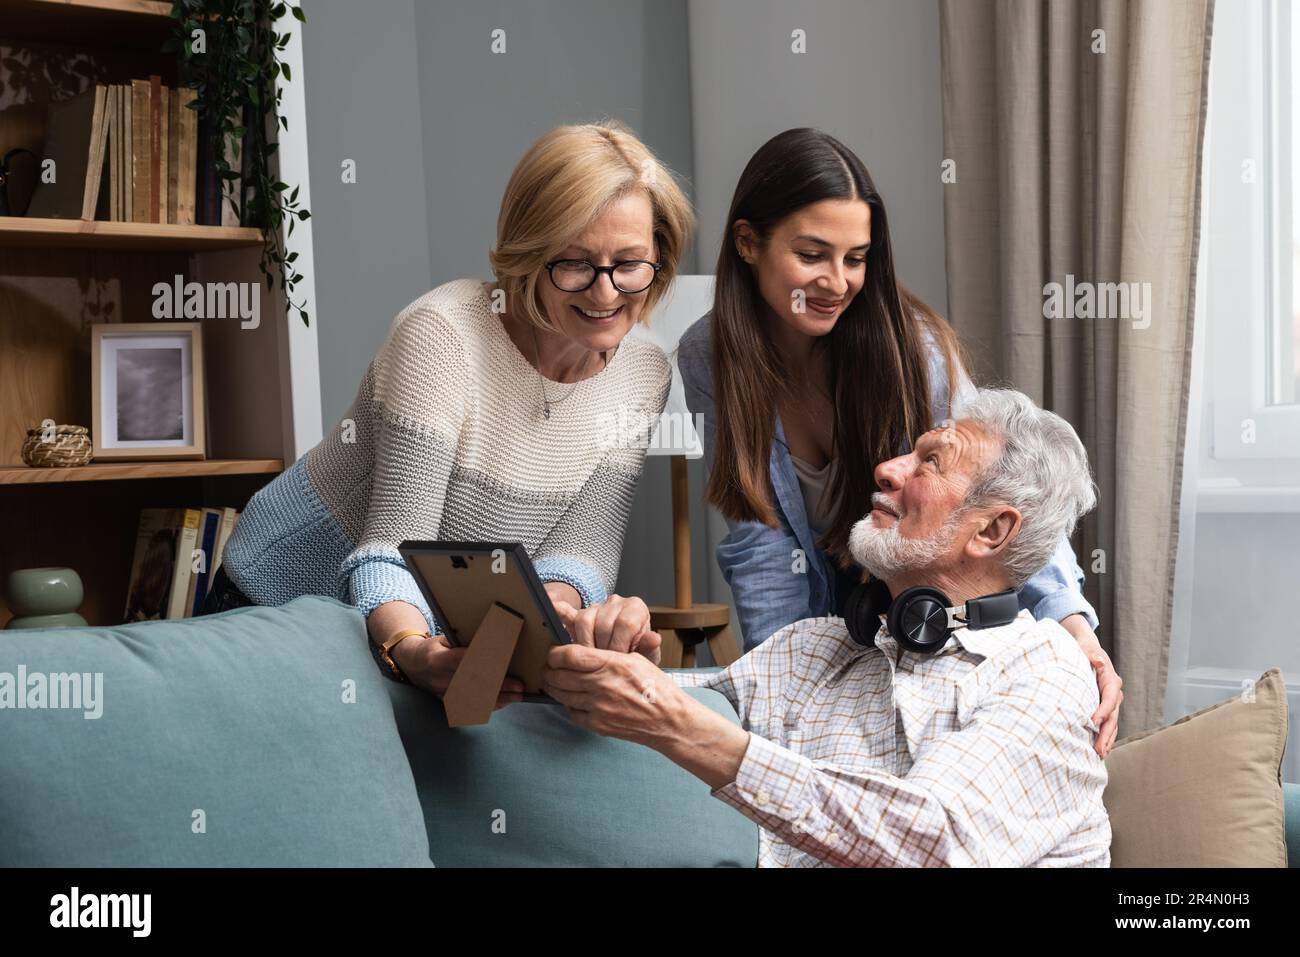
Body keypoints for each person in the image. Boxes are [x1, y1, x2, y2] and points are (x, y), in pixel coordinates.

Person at [204, 120, 691, 704]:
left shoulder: (644, 372)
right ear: (528, 252)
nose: (607, 293)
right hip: (289, 600)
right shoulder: (443, 337)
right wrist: (409, 650)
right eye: (575, 263)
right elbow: (391, 548)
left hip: (431, 632)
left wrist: (547, 616)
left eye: (630, 263)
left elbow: (583, 544)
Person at [676, 127, 1121, 756]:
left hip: (931, 620)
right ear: (747, 244)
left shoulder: (913, 346)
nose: (837, 281)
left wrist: (1073, 625)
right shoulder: (708, 355)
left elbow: (1005, 489)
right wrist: (787, 694)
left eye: (855, 258)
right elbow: (760, 542)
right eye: (812, 254)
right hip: (835, 632)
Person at [543, 388, 1112, 867]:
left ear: (990, 532)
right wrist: (611, 661)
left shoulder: (1047, 672)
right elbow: (659, 711)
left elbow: (937, 843)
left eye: (931, 462)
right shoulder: (808, 649)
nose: (887, 470)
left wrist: (691, 733)